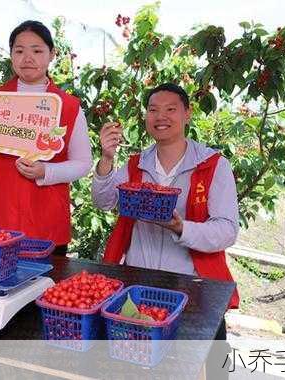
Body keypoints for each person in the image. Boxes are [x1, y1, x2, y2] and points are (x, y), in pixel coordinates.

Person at [92, 83, 239, 358]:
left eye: (171, 109)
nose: (161, 117)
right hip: (139, 286)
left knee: (203, 366)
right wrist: (106, 159)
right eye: (153, 110)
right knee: (139, 361)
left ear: (187, 114)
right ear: (146, 117)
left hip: (193, 289)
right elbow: (104, 202)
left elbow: (227, 230)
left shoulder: (213, 165)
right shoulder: (136, 165)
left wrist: (181, 227)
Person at [0, 20, 93, 256]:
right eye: (19, 51)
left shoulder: (69, 106)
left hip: (46, 218)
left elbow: (83, 163)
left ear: (52, 54)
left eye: (37, 51)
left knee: (47, 290)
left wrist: (46, 172)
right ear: (11, 55)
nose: (27, 58)